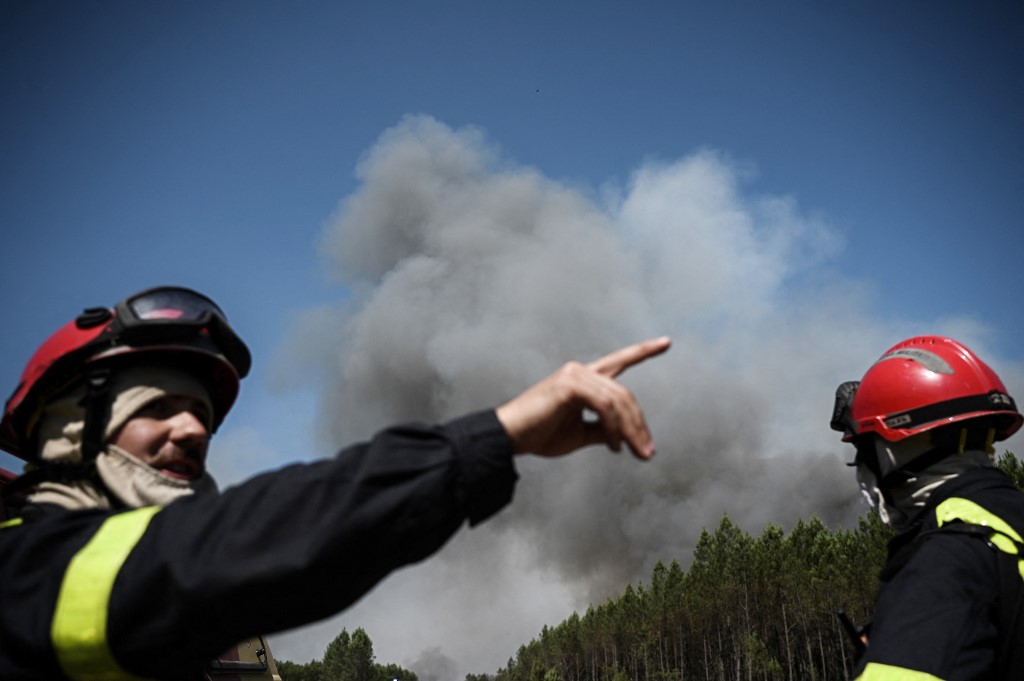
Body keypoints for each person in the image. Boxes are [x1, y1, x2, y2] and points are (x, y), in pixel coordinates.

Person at [0, 285, 670, 681]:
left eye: (201, 414)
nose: (193, 430)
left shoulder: (213, 614)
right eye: (156, 407)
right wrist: (494, 436)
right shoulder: (22, 570)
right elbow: (226, 549)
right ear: (68, 428)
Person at [831, 335, 1024, 680]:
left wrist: (907, 636)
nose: (863, 467)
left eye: (866, 448)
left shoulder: (948, 558)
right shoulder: (1009, 524)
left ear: (893, 450)